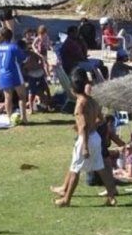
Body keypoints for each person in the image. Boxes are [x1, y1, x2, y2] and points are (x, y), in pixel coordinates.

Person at [50, 69, 117, 207]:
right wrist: (92, 125)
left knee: (75, 169)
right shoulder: (93, 101)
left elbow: (84, 126)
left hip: (85, 139)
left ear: (73, 89)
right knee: (101, 168)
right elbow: (102, 119)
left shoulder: (80, 104)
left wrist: (85, 146)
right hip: (95, 137)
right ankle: (111, 197)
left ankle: (66, 199)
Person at [0, 27, 28, 124]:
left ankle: (9, 118)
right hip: (14, 73)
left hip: (2, 74)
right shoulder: (14, 47)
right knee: (22, 96)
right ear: (11, 36)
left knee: (8, 97)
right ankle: (24, 118)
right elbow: (24, 59)